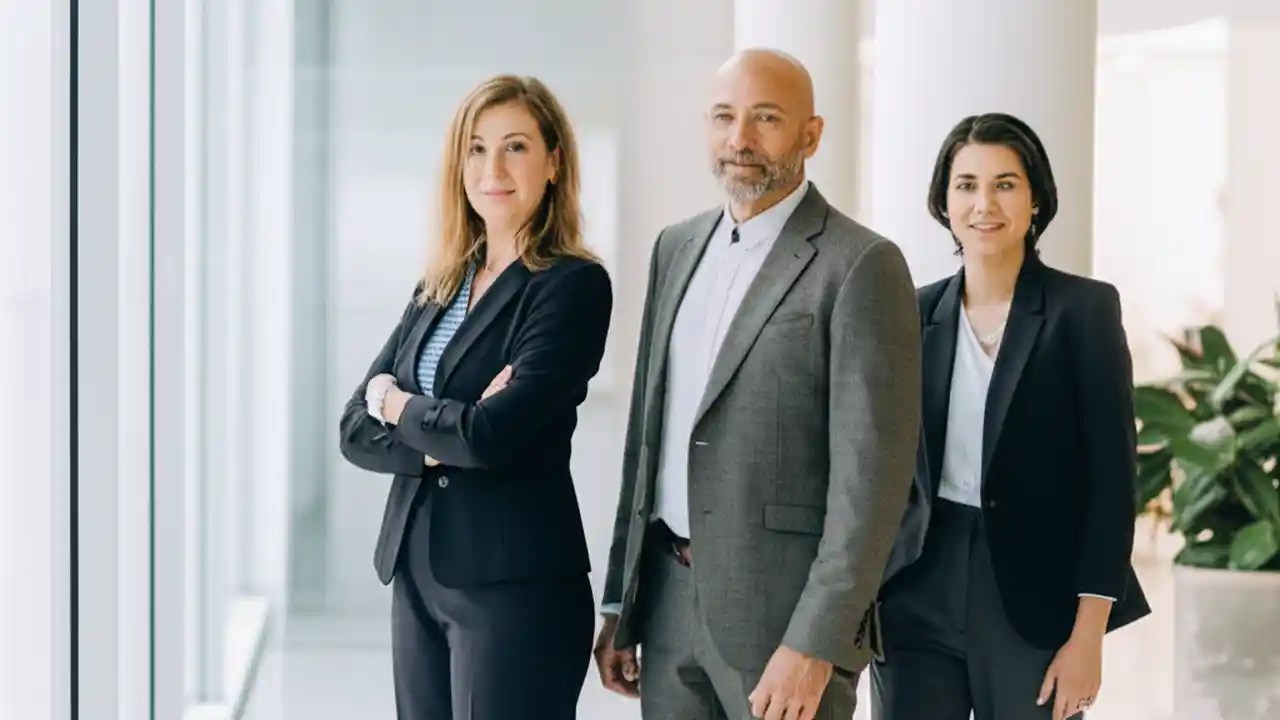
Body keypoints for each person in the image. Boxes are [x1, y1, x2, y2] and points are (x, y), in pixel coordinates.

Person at [594, 48, 921, 720]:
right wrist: (621, 603)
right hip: (667, 605)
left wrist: (817, 642)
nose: (739, 139)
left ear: (811, 134)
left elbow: (874, 486)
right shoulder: (675, 248)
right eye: (724, 117)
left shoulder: (860, 265)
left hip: (786, 627)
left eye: (765, 118)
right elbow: (648, 440)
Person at [338, 74, 612, 719]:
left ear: (554, 162)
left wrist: (398, 405)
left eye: (515, 146)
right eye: (476, 148)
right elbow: (353, 427)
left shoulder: (570, 287)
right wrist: (441, 439)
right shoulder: (441, 281)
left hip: (514, 588)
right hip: (418, 572)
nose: (494, 168)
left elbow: (491, 436)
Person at [872, 113, 1151, 720]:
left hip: (1032, 596)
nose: (984, 203)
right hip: (918, 587)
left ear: (1035, 199)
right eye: (966, 185)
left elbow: (1112, 482)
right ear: (944, 203)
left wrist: (1088, 636)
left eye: (1005, 183)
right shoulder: (912, 315)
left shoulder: (1084, 310)